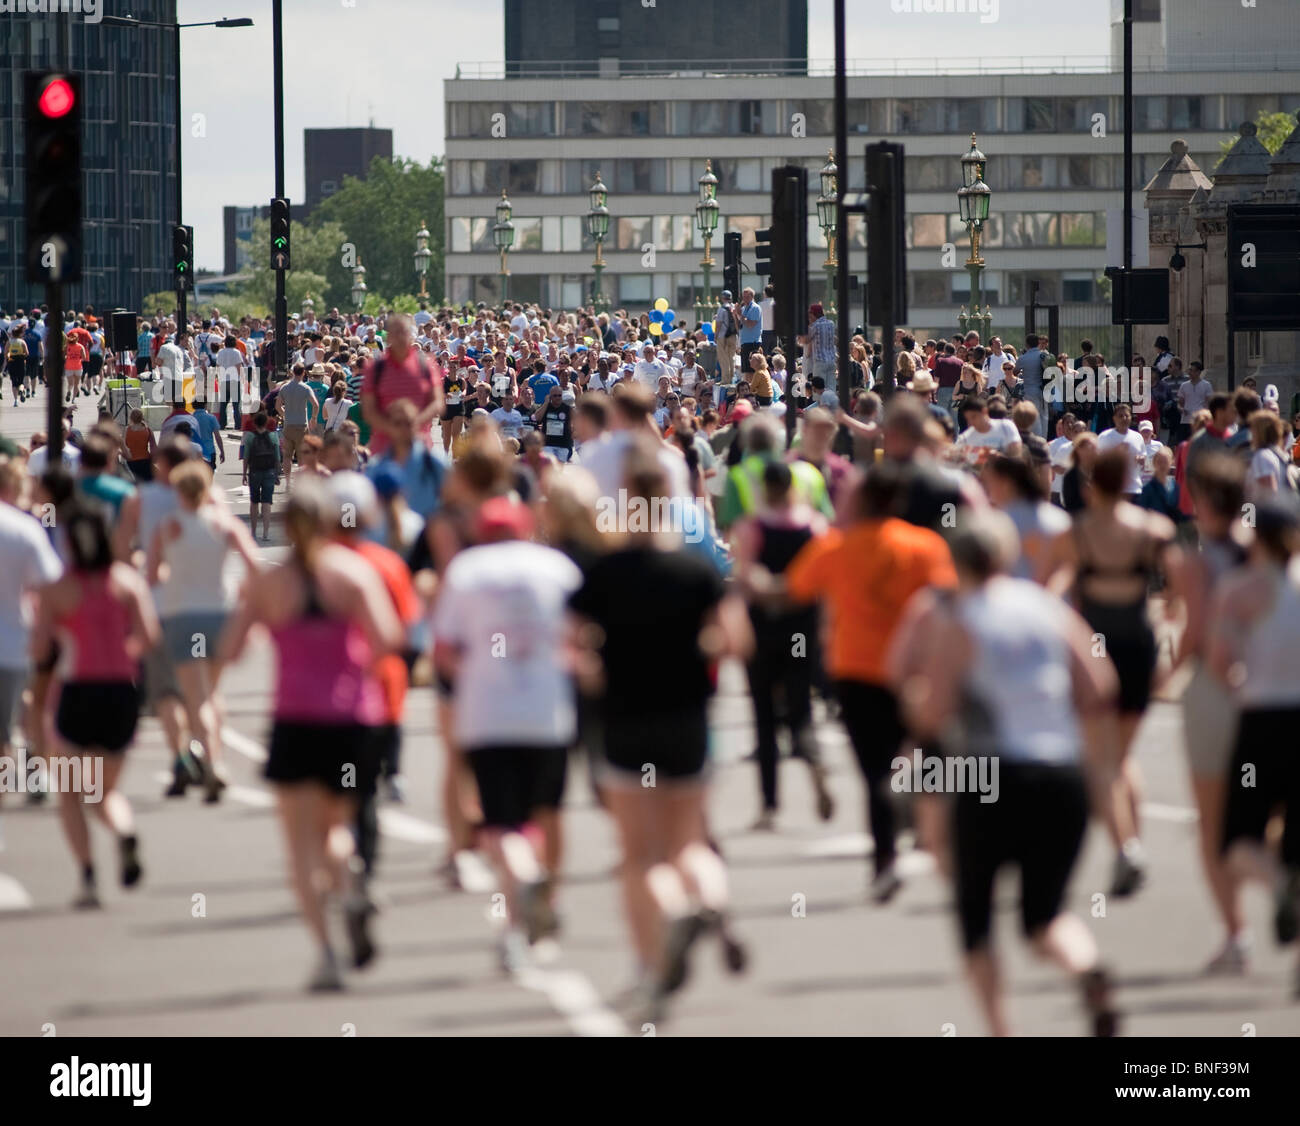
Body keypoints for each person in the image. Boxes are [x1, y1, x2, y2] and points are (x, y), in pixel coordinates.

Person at [889, 511, 1119, 1037]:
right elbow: (1099, 684)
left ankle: (1000, 1029)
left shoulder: (958, 620)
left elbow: (935, 712)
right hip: (1061, 774)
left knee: (977, 919)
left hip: (988, 773)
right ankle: (1086, 968)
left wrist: (916, 712)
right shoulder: (1048, 609)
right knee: (1045, 916)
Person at [569, 441, 753, 1019]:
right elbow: (734, 640)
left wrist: (596, 672)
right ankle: (711, 901)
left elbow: (572, 645)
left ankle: (654, 962)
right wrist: (698, 649)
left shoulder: (604, 572)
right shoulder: (695, 571)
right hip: (687, 719)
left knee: (641, 856)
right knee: (690, 842)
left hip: (626, 720)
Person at [215, 482, 403, 990]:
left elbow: (231, 652)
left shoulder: (269, 584)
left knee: (300, 846)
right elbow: (388, 640)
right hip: (351, 720)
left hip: (295, 720)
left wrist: (259, 624)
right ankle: (353, 883)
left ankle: (326, 953)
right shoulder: (353, 573)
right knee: (337, 829)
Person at [785, 464, 957, 901]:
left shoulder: (837, 547)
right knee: (926, 752)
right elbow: (950, 602)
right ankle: (934, 835)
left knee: (874, 771)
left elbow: (796, 588)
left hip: (856, 672)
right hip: (915, 672)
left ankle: (884, 861)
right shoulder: (926, 546)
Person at [433, 496, 581, 967]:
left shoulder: (466, 571)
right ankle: (545, 897)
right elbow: (581, 639)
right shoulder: (557, 568)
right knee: (548, 811)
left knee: (501, 823)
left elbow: (444, 652)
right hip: (547, 711)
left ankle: (521, 894)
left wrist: (476, 675)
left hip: (489, 714)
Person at [1049, 447, 1175, 896]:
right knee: (1121, 756)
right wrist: (1168, 652)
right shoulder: (1154, 531)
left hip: (1094, 648)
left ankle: (1127, 849)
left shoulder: (1077, 532)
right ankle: (1131, 844)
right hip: (1139, 646)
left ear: (1089, 485)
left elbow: (1056, 591)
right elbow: (1178, 593)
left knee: (1102, 759)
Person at [32, 505, 160, 908]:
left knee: (71, 792)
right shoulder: (126, 582)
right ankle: (124, 833)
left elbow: (39, 649)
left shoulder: (57, 589)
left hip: (77, 693)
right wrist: (121, 652)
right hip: (121, 692)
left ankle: (88, 875)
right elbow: (148, 638)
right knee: (103, 791)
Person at [1207, 497, 1300, 997]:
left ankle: (1280, 885)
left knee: (1237, 838)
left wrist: (1244, 686)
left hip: (1263, 719)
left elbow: (1222, 663)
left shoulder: (1240, 588)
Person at [1163, 453, 1249, 972]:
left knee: (1214, 822)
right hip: (1267, 688)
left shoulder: (1199, 560)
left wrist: (1160, 678)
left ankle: (1237, 936)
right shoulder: (1266, 550)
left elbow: (1191, 636)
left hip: (1214, 689)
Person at [148, 460, 260, 803]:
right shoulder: (224, 524)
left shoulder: (169, 526)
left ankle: (213, 763)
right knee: (213, 692)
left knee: (196, 697)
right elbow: (256, 568)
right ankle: (212, 756)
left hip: (185, 616)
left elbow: (153, 576)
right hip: (220, 613)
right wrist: (240, 593)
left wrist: (176, 576)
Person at [733, 461, 834, 830]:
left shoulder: (752, 527)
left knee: (763, 713)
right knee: (800, 707)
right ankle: (814, 758)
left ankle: (769, 805)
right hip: (800, 630)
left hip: (763, 627)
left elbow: (745, 576)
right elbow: (824, 580)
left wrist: (770, 590)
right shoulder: (813, 526)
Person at [276, 364, 320, 487]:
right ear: (303, 373)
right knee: (301, 456)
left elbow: (277, 406)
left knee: (287, 456)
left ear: (293, 372)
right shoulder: (305, 388)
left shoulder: (284, 388)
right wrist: (313, 418)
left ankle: (288, 481)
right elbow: (315, 404)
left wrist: (284, 414)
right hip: (301, 424)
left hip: (289, 424)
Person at [241, 411, 281, 541]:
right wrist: (277, 472)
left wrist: (244, 474)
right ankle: (265, 532)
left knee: (254, 501)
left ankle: (253, 532)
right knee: (267, 502)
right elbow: (277, 457)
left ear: (254, 423)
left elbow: (246, 456)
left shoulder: (250, 437)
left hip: (254, 471)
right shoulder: (273, 436)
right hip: (269, 471)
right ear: (266, 423)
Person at [122, 408, 157, 482]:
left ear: (131, 418)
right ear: (141, 417)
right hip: (145, 461)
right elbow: (153, 447)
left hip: (131, 462)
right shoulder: (148, 430)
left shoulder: (126, 430)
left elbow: (123, 446)